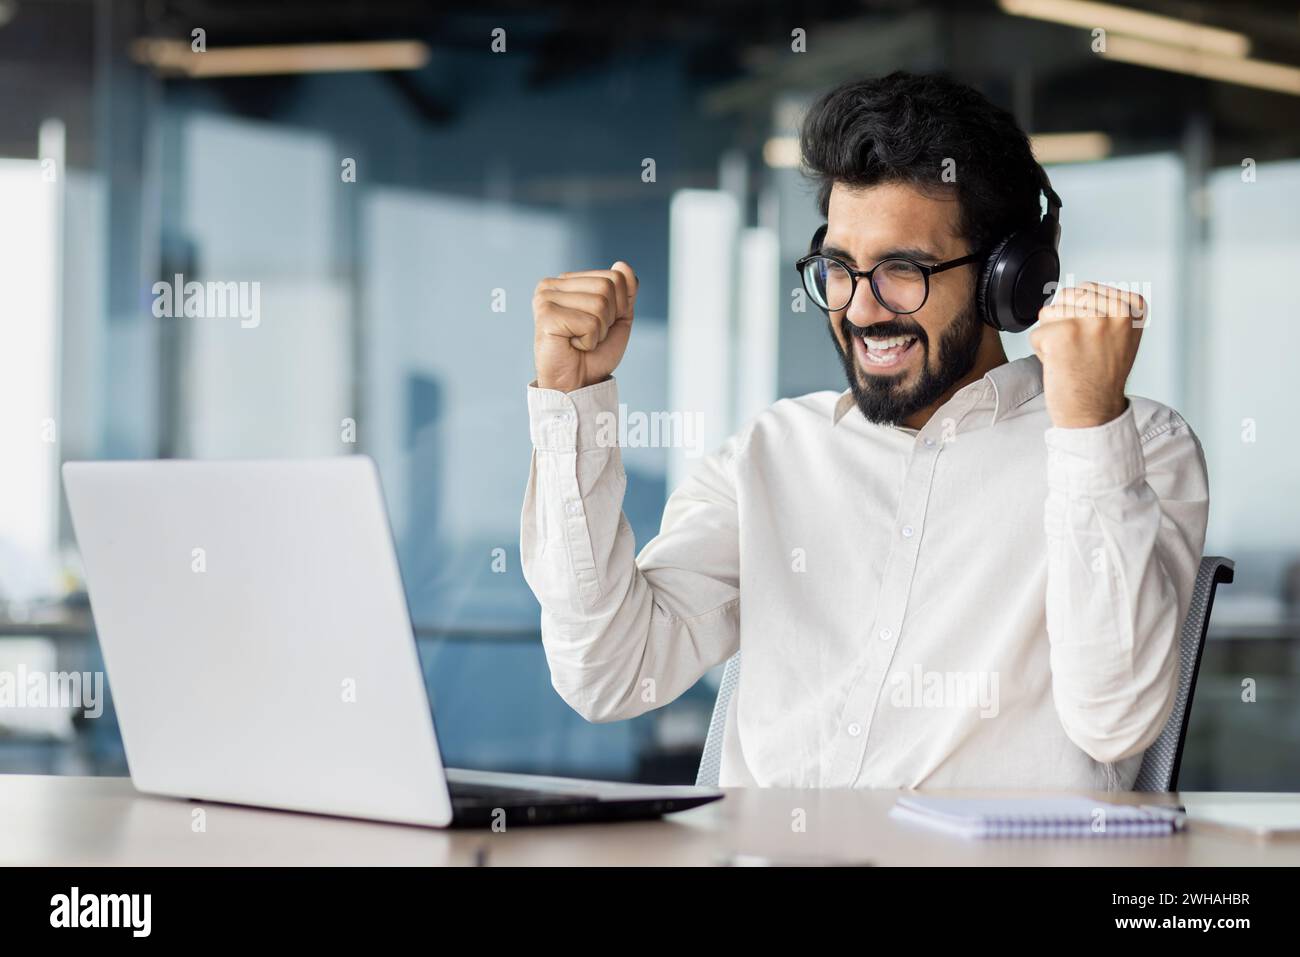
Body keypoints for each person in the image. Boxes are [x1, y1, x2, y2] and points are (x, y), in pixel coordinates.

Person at [521, 71, 1209, 789]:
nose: (860, 310)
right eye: (841, 269)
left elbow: (1117, 718)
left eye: (902, 271)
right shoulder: (773, 454)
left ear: (1010, 277)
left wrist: (1092, 427)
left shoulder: (1136, 447)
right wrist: (573, 402)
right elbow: (607, 674)